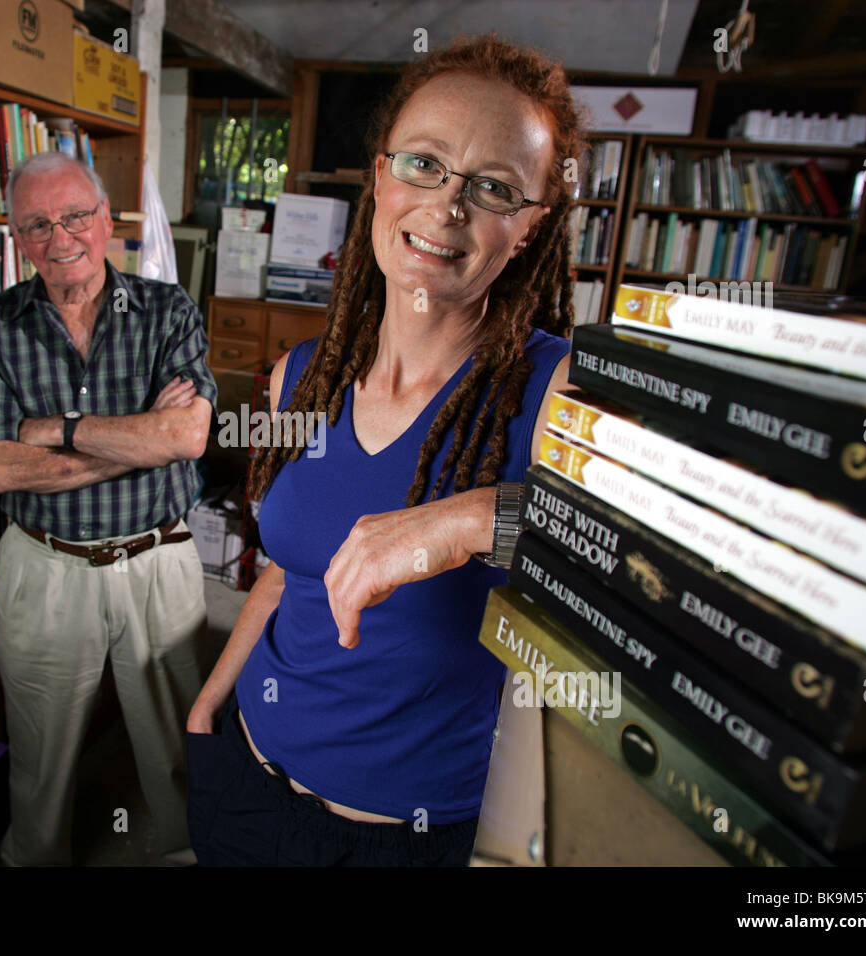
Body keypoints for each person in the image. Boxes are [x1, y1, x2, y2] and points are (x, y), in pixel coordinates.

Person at [185, 34, 584, 866]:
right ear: (378, 176)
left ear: (531, 229)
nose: (447, 207)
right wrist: (213, 695)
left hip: (403, 839)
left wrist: (468, 518)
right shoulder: (303, 375)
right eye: (424, 164)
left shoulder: (554, 390)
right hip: (248, 778)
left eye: (494, 188)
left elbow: (631, 567)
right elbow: (287, 567)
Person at [0, 150, 217, 866]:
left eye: (74, 216)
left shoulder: (167, 311)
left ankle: (182, 852)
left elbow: (188, 435)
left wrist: (59, 432)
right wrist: (139, 440)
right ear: (16, 237)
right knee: (40, 755)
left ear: (107, 221)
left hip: (158, 559)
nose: (59, 237)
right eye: (37, 224)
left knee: (175, 749)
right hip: (44, 567)